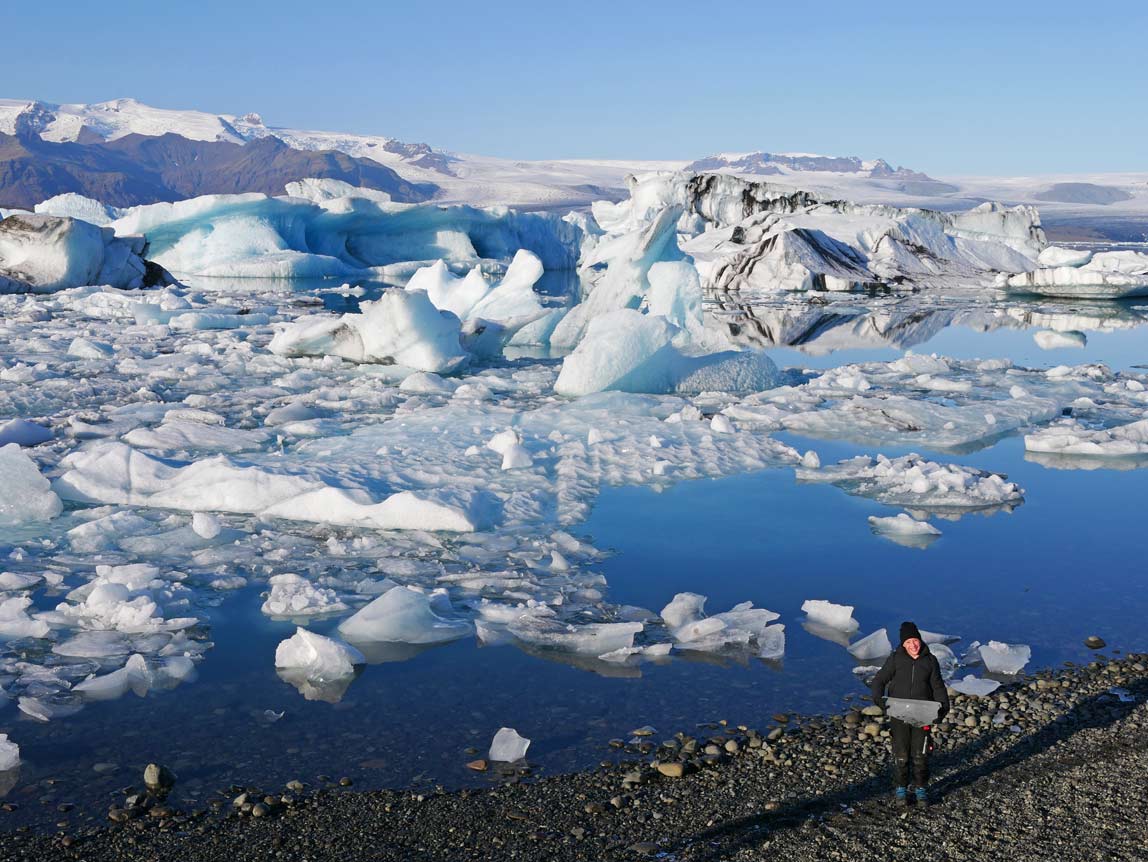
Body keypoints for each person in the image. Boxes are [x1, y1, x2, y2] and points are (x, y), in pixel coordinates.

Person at [869, 621, 950, 807]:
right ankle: (901, 789)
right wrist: (879, 699)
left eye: (914, 641)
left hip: (923, 714)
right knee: (902, 755)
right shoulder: (896, 659)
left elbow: (937, 687)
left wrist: (943, 709)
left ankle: (920, 788)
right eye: (908, 642)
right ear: (903, 644)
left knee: (920, 756)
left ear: (919, 640)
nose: (912, 645)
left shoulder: (930, 661)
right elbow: (879, 680)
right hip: (899, 713)